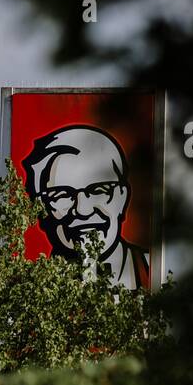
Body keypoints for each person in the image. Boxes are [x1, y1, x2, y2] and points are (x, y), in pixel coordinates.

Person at [22, 124, 150, 289]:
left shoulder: (158, 275)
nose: (83, 210)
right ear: (40, 208)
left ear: (122, 197)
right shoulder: (25, 292)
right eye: (61, 195)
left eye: (98, 190)